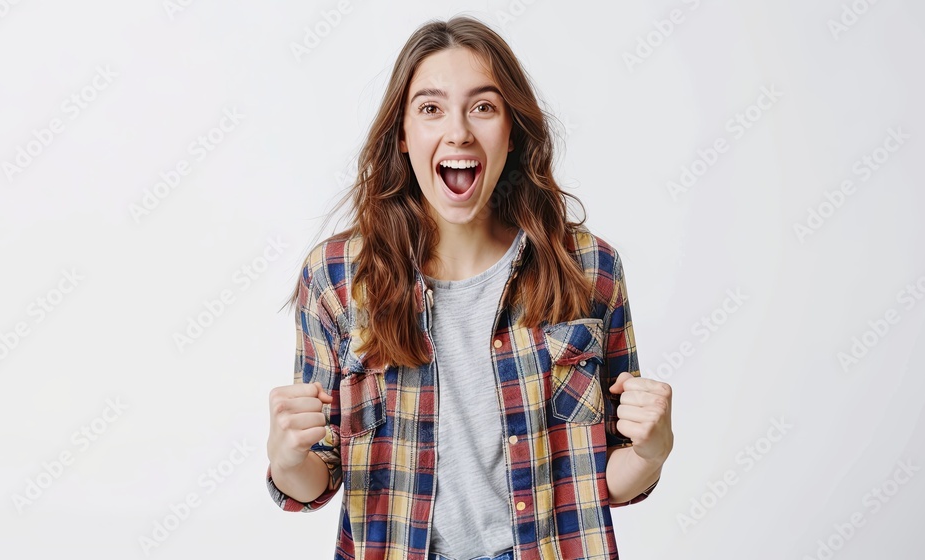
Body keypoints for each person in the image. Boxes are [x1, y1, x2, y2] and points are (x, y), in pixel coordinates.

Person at [265, 14, 673, 560]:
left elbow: (608, 480)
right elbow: (314, 480)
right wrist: (288, 458)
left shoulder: (588, 267)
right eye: (431, 108)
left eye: (483, 106)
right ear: (404, 137)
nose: (458, 131)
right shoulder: (337, 276)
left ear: (512, 132)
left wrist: (652, 451)